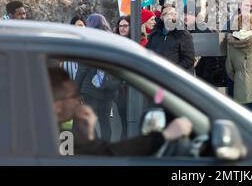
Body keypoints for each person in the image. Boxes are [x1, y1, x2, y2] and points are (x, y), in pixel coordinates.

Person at [50, 67, 192, 156]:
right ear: (57, 106)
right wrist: (165, 135)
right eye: (73, 96)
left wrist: (88, 134)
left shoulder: (48, 130)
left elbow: (94, 154)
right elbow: (109, 154)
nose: (77, 101)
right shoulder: (54, 135)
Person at [75, 13, 121, 141]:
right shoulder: (113, 41)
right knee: (105, 122)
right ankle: (105, 148)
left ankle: (94, 147)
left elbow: (82, 68)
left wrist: (75, 90)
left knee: (88, 121)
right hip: (107, 90)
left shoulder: (89, 40)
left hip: (90, 90)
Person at [147, 4, 195, 74]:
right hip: (156, 75)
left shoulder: (183, 34)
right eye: (165, 14)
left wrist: (172, 70)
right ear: (161, 17)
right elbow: (148, 53)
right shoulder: (154, 34)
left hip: (175, 77)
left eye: (171, 13)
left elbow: (189, 60)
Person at [63, 16, 86, 80]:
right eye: (75, 27)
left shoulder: (90, 50)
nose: (79, 28)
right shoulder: (66, 51)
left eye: (81, 25)